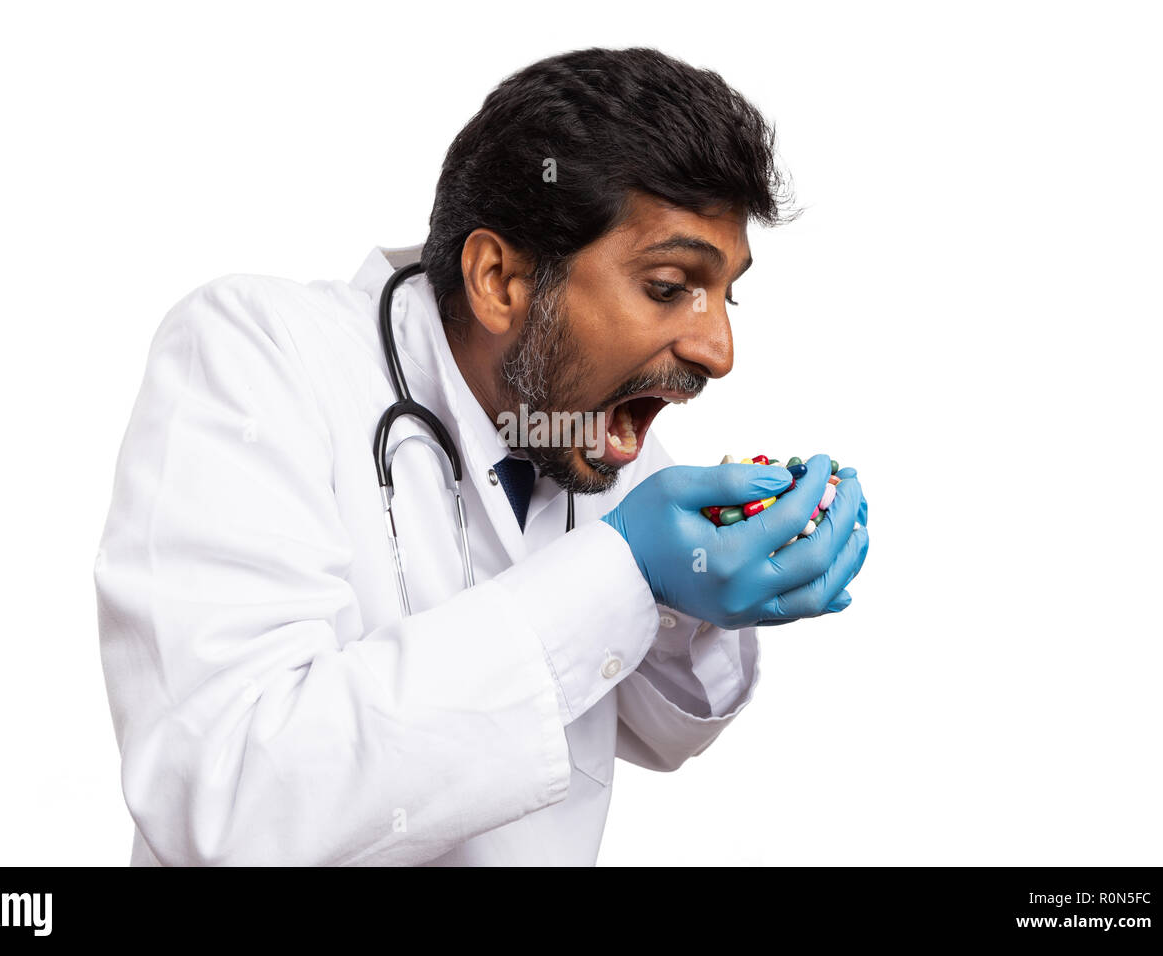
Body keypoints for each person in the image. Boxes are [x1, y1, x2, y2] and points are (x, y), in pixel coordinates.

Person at [94, 46, 870, 866]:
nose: (719, 349)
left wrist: (713, 590)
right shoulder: (255, 357)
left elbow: (665, 727)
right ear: (499, 278)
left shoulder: (579, 425)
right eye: (671, 285)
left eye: (727, 295)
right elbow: (231, 800)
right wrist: (624, 569)